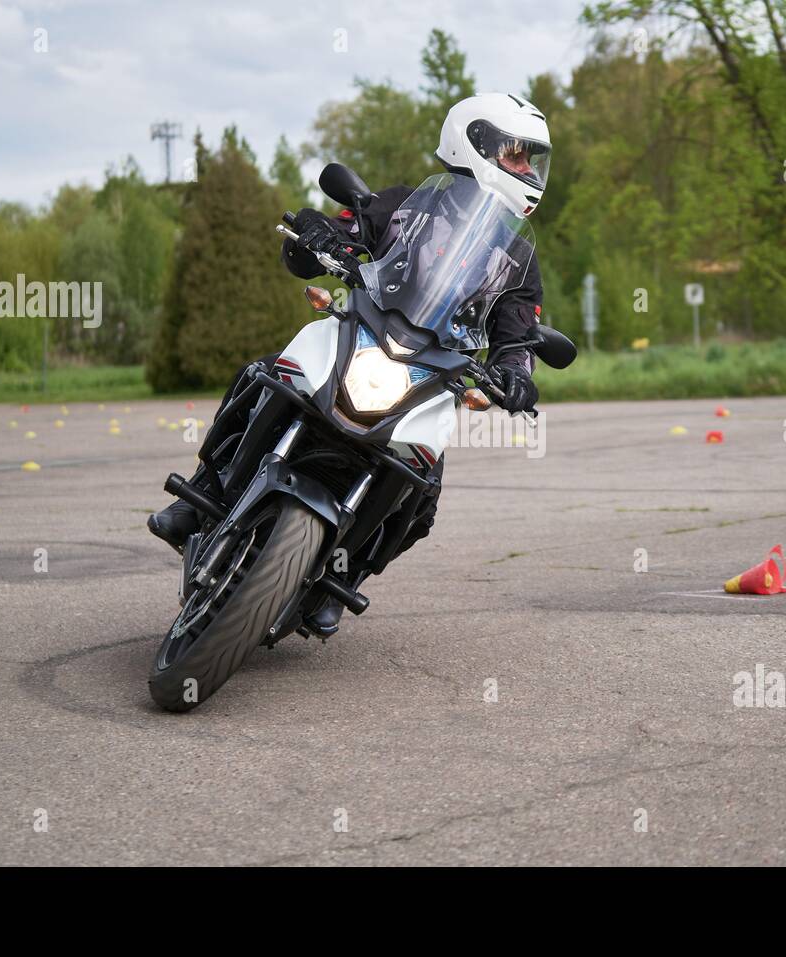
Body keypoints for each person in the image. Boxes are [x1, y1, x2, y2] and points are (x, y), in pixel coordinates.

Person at [149, 93, 552, 635]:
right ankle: (203, 497)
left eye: (533, 159)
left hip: (433, 374)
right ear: (473, 143)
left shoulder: (519, 260)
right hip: (364, 334)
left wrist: (517, 376)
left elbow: (517, 336)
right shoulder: (405, 205)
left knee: (424, 489)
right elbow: (351, 229)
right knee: (265, 375)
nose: (527, 170)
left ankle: (344, 575)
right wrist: (319, 237)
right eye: (517, 154)